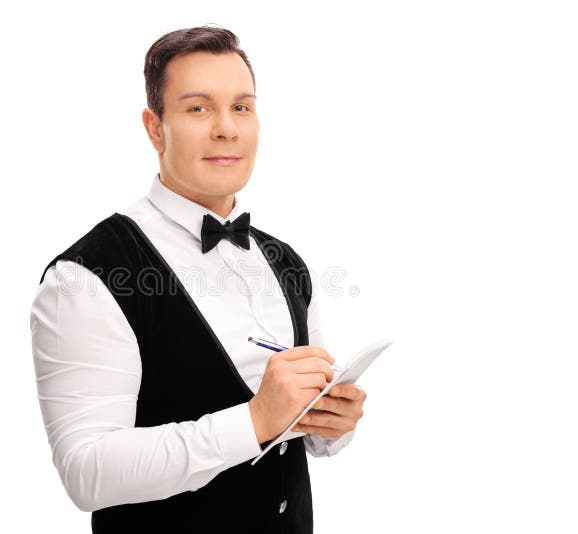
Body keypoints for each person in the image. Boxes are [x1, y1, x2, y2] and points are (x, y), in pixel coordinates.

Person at [29, 25, 367, 533]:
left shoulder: (288, 262)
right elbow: (87, 472)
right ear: (154, 128)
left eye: (242, 107)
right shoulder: (83, 277)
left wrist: (330, 424)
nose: (227, 128)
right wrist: (253, 421)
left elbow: (306, 436)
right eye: (198, 108)